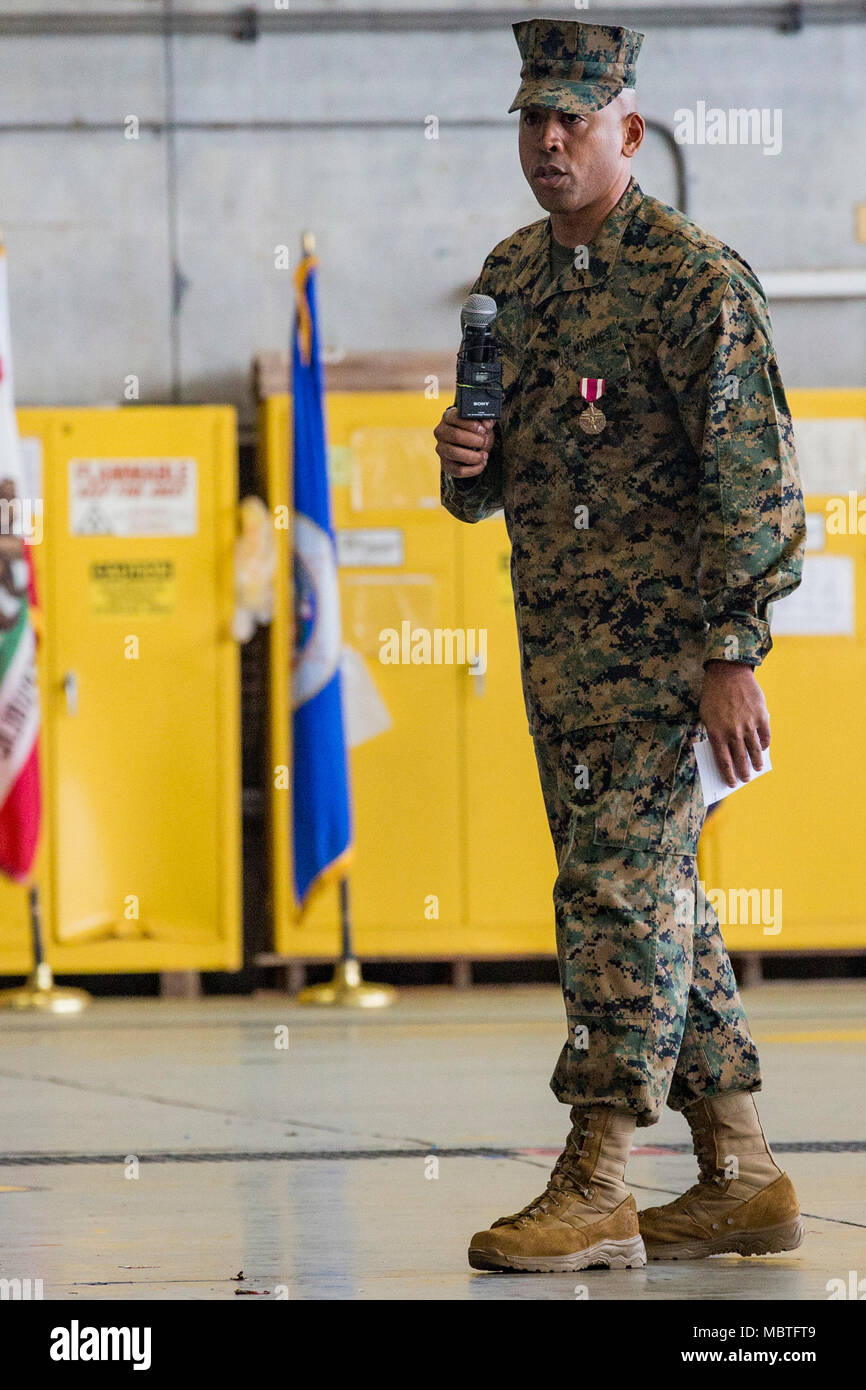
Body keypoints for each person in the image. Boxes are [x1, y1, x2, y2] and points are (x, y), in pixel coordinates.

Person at [436, 18, 807, 1273]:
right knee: (662, 908)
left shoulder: (693, 279)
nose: (547, 141)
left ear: (626, 133)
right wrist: (467, 468)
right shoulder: (512, 279)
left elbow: (754, 486)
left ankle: (596, 1175)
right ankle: (741, 1169)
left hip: (665, 669)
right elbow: (497, 484)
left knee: (610, 903)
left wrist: (730, 651)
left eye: (572, 121)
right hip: (562, 662)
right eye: (532, 120)